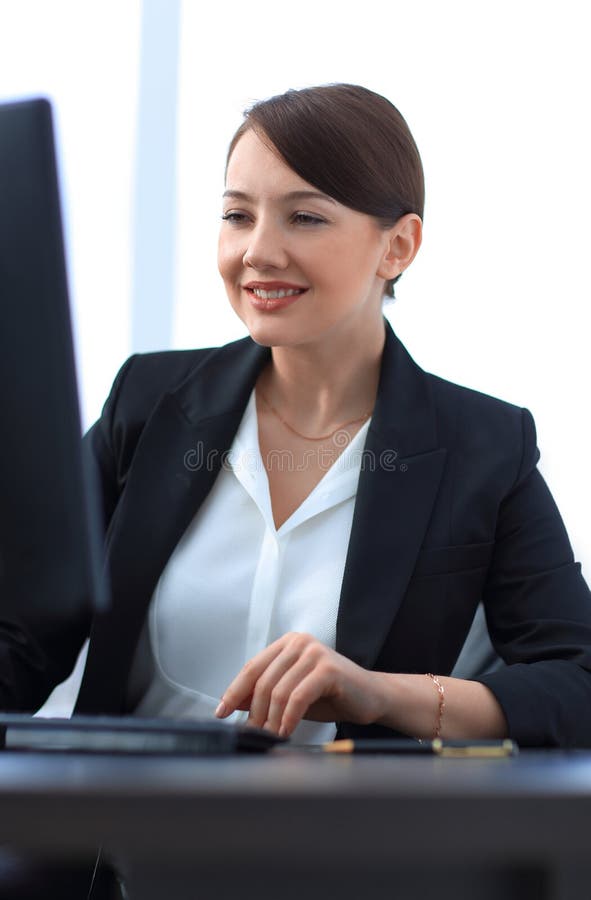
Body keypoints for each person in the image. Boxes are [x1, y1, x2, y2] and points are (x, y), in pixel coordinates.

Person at [4, 84, 591, 750]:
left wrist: (381, 692)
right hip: (121, 843)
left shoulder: (484, 446)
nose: (257, 251)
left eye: (303, 217)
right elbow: (22, 637)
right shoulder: (147, 403)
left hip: (343, 846)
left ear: (396, 246)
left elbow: (577, 685)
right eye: (236, 215)